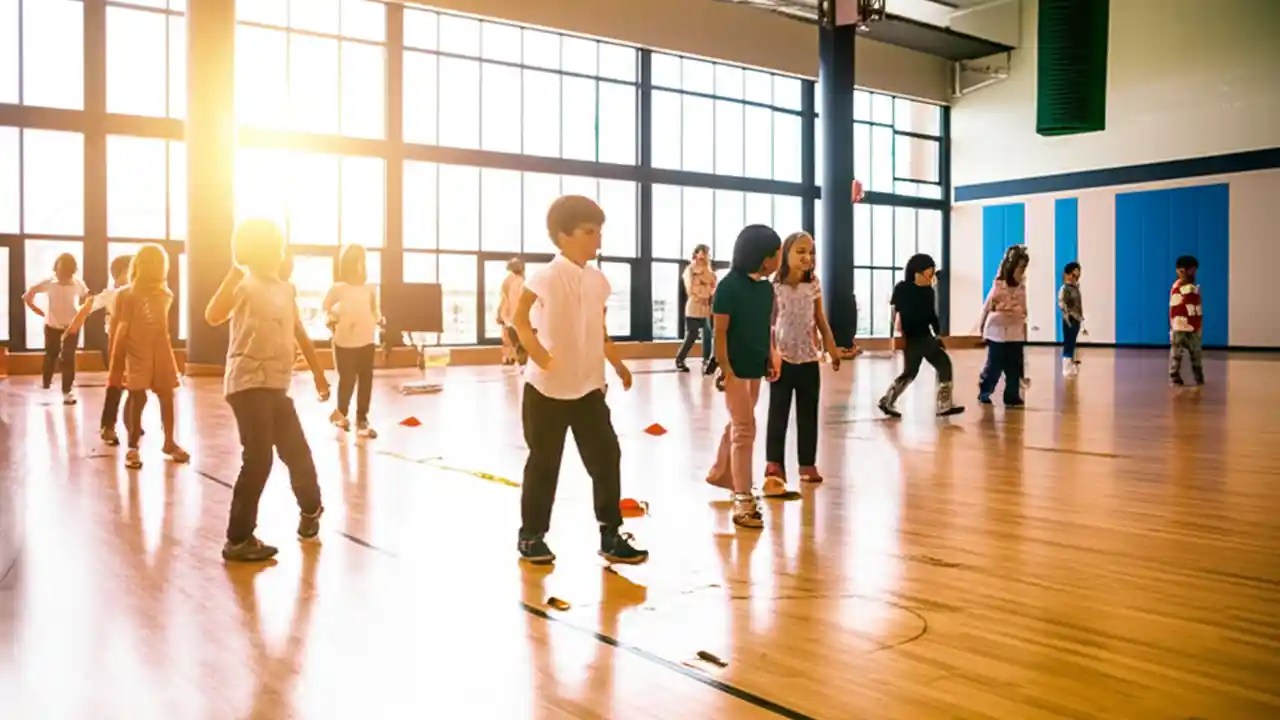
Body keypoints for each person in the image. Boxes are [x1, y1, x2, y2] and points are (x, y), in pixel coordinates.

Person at [512, 195, 647, 566]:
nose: (597, 240)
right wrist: (538, 354)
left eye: (599, 232)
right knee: (544, 463)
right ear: (562, 235)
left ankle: (610, 533)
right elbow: (518, 320)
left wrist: (617, 365)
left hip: (588, 388)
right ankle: (531, 536)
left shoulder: (599, 281)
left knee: (607, 456)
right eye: (589, 232)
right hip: (546, 390)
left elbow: (600, 332)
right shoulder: (545, 276)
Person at [205, 219, 331, 563]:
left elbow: (299, 331)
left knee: (297, 452)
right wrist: (233, 271)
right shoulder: (243, 285)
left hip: (276, 384)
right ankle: (239, 538)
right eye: (273, 246)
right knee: (259, 457)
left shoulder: (284, 289)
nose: (278, 252)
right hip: (247, 381)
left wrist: (320, 374)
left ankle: (310, 510)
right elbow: (212, 315)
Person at [705, 225, 782, 529]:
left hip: (755, 366)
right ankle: (742, 500)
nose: (779, 259)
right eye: (776, 254)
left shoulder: (766, 289)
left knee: (741, 422)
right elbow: (719, 333)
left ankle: (721, 472)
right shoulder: (728, 287)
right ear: (764, 258)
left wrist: (771, 356)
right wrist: (726, 369)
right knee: (745, 427)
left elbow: (766, 328)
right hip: (735, 369)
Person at [763, 232, 840, 492]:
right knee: (778, 412)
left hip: (808, 358)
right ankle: (774, 463)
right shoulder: (774, 286)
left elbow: (820, 318)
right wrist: (770, 353)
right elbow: (769, 323)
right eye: (800, 251)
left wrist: (832, 347)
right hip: (781, 359)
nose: (807, 257)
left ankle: (807, 463)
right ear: (785, 254)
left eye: (811, 252)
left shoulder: (814, 283)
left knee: (808, 412)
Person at [107, 245, 189, 470]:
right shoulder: (126, 294)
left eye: (158, 263)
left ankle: (170, 442)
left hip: (161, 350)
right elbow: (121, 329)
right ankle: (133, 447)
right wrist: (117, 363)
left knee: (167, 396)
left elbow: (162, 326)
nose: (153, 267)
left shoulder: (166, 295)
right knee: (137, 397)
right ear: (139, 265)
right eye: (148, 262)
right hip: (136, 351)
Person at [878, 253, 964, 418]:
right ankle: (943, 405)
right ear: (918, 271)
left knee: (910, 372)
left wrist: (938, 334)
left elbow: (932, 315)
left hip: (924, 336)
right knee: (943, 363)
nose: (931, 277)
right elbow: (895, 312)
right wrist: (897, 333)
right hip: (914, 337)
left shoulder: (928, 292)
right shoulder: (902, 288)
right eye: (929, 273)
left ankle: (887, 400)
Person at [66, 254, 133, 444]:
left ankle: (131, 422)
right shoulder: (111, 294)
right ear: (121, 273)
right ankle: (108, 426)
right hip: (116, 345)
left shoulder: (138, 293)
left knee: (137, 386)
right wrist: (72, 328)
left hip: (137, 345)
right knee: (117, 385)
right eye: (132, 270)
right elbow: (87, 307)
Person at [324, 244, 381, 438]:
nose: (360, 265)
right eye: (356, 261)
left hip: (367, 340)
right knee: (347, 379)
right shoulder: (338, 289)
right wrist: (331, 319)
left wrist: (378, 320)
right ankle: (341, 414)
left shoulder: (371, 288)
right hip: (344, 342)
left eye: (362, 261)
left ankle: (362, 417)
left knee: (366, 378)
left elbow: (375, 311)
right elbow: (327, 309)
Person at [23, 253, 89, 405]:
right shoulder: (49, 283)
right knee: (51, 356)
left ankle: (67, 391)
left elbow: (87, 299)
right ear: (56, 269)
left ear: (71, 271)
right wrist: (36, 310)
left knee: (68, 358)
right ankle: (46, 382)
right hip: (52, 325)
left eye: (65, 272)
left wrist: (81, 315)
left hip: (71, 327)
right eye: (59, 270)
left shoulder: (77, 284)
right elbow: (27, 295)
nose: (61, 275)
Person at [977, 245, 1030, 407]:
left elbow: (1024, 311)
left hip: (1015, 333)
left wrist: (1024, 332)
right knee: (994, 366)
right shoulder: (998, 286)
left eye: (1024, 269)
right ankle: (985, 390)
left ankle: (1011, 396)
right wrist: (981, 328)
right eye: (1020, 268)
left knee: (1014, 367)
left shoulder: (1022, 288)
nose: (1022, 272)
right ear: (1011, 267)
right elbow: (987, 307)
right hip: (996, 333)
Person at [676, 244, 717, 373]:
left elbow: (712, 284)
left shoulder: (709, 270)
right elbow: (691, 288)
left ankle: (706, 359)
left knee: (708, 333)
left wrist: (705, 287)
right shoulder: (690, 269)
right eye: (703, 252)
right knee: (692, 335)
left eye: (707, 253)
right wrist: (702, 290)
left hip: (705, 308)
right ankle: (680, 359)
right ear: (696, 253)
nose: (705, 255)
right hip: (693, 307)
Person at [1169, 255, 1204, 386]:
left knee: (1196, 353)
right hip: (1179, 327)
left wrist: (1198, 323)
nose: (1193, 274)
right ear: (1181, 271)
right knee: (1176, 354)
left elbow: (1197, 308)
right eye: (1191, 271)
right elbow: (1177, 307)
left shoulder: (1193, 289)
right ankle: (1174, 376)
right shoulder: (1177, 288)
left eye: (1194, 271)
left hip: (1193, 327)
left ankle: (1198, 376)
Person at [496, 258, 527, 366]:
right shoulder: (520, 281)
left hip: (506, 315)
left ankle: (509, 358)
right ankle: (520, 359)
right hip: (516, 315)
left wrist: (499, 313)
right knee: (520, 340)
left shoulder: (507, 280)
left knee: (508, 339)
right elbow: (519, 300)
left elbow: (503, 299)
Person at [1058, 261, 1084, 377]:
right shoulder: (1065, 288)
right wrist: (1066, 316)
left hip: (1076, 318)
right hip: (1069, 318)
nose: (1075, 278)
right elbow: (1061, 303)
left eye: (1077, 276)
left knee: (1072, 342)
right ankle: (1065, 367)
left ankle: (1071, 364)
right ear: (1067, 274)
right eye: (1073, 275)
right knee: (1068, 342)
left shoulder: (1075, 288)